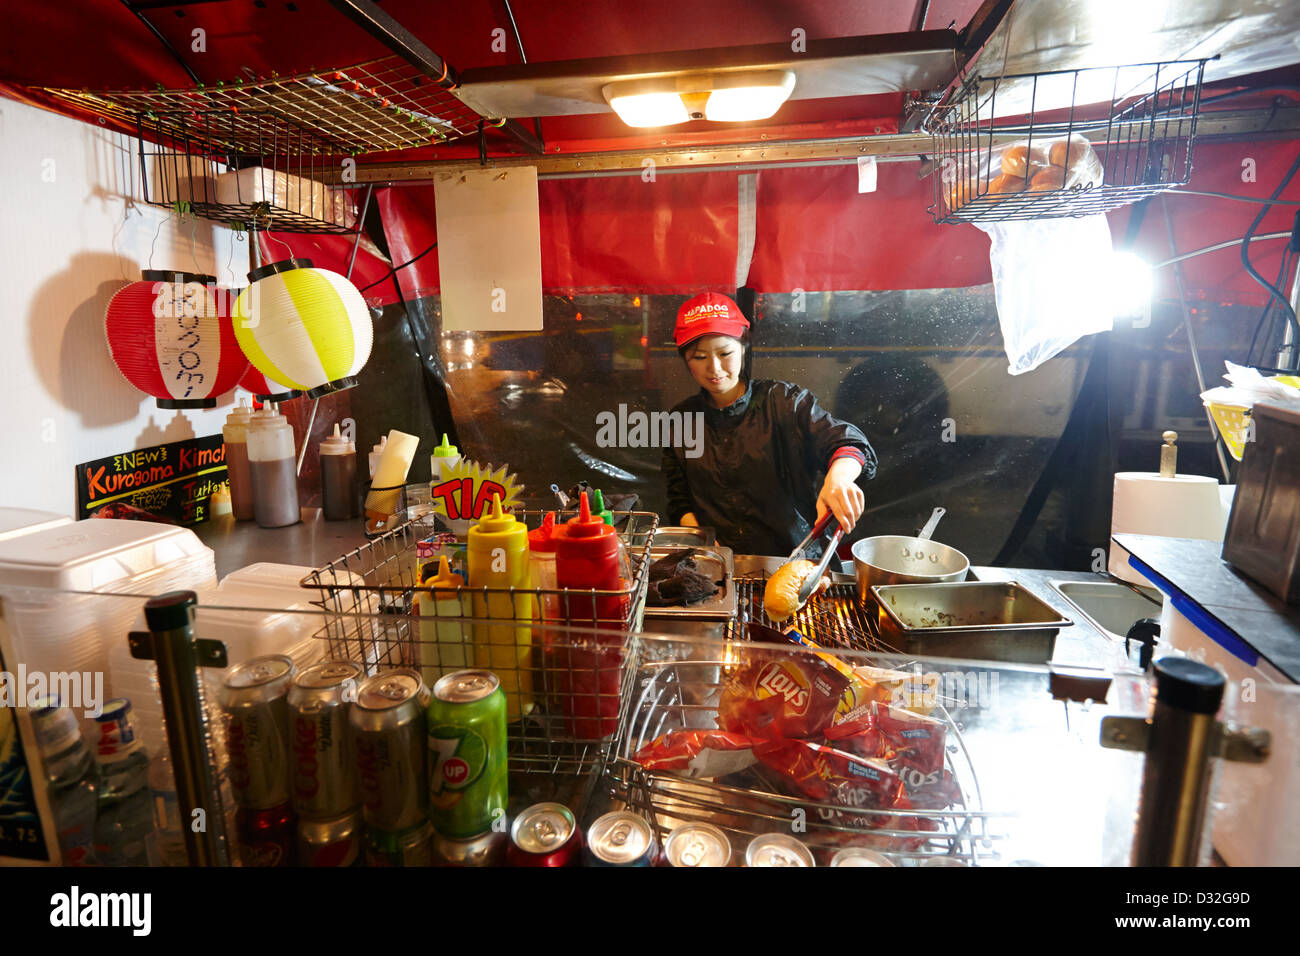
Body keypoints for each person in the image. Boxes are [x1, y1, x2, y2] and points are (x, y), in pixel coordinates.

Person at [661, 292, 876, 558]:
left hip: (795, 559)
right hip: (720, 567)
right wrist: (702, 542)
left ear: (743, 347)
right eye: (699, 357)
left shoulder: (783, 401)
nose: (714, 368)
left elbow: (846, 442)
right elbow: (679, 499)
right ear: (686, 360)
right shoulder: (681, 420)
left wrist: (838, 479)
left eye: (725, 352)